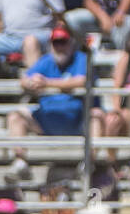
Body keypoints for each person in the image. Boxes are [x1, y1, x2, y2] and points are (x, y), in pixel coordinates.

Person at [7, 24, 100, 184]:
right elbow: (24, 79)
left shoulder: (81, 58)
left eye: (62, 41)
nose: (59, 46)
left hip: (77, 122)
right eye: (55, 42)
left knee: (97, 116)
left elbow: (83, 80)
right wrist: (31, 83)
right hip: (46, 121)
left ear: (71, 42)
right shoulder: (47, 60)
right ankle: (20, 162)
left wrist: (48, 83)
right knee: (16, 116)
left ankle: (89, 163)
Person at [106, 19, 130, 135]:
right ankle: (110, 154)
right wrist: (117, 110)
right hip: (127, 110)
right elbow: (116, 87)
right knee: (112, 121)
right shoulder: (125, 59)